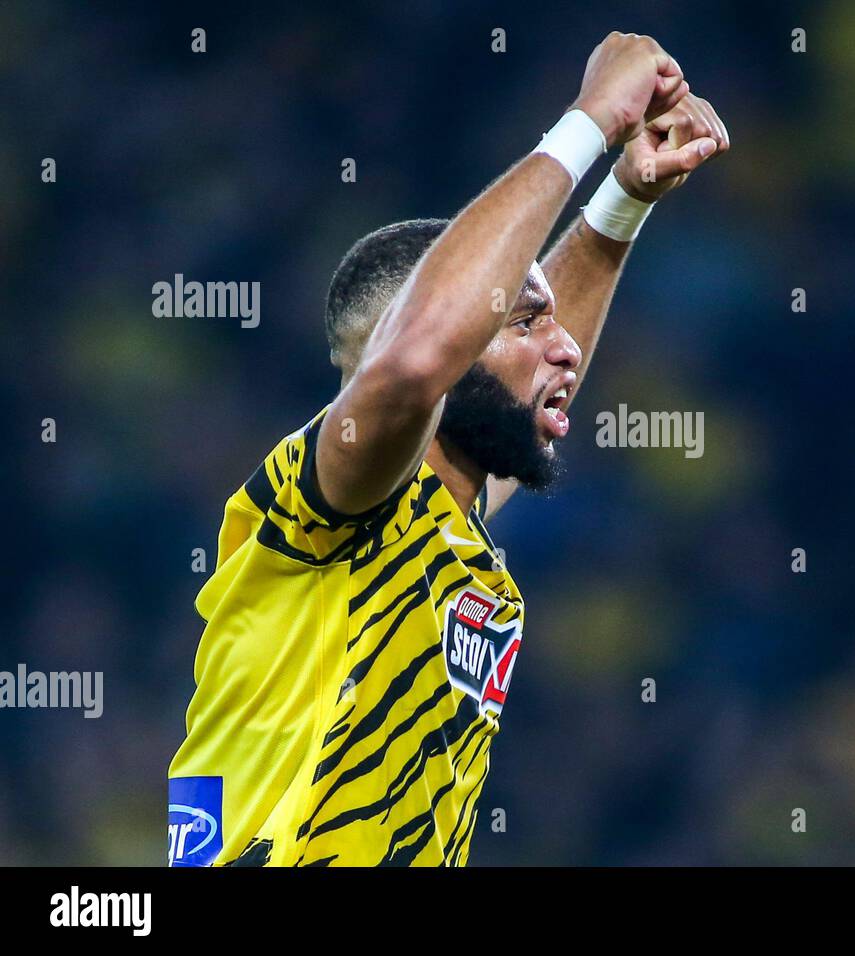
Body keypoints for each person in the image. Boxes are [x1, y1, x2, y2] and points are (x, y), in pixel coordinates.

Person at [167, 31, 730, 866]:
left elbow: (479, 362)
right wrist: (585, 124)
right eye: (524, 323)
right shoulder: (331, 492)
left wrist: (620, 203)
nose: (567, 349)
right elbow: (421, 359)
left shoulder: (448, 525)